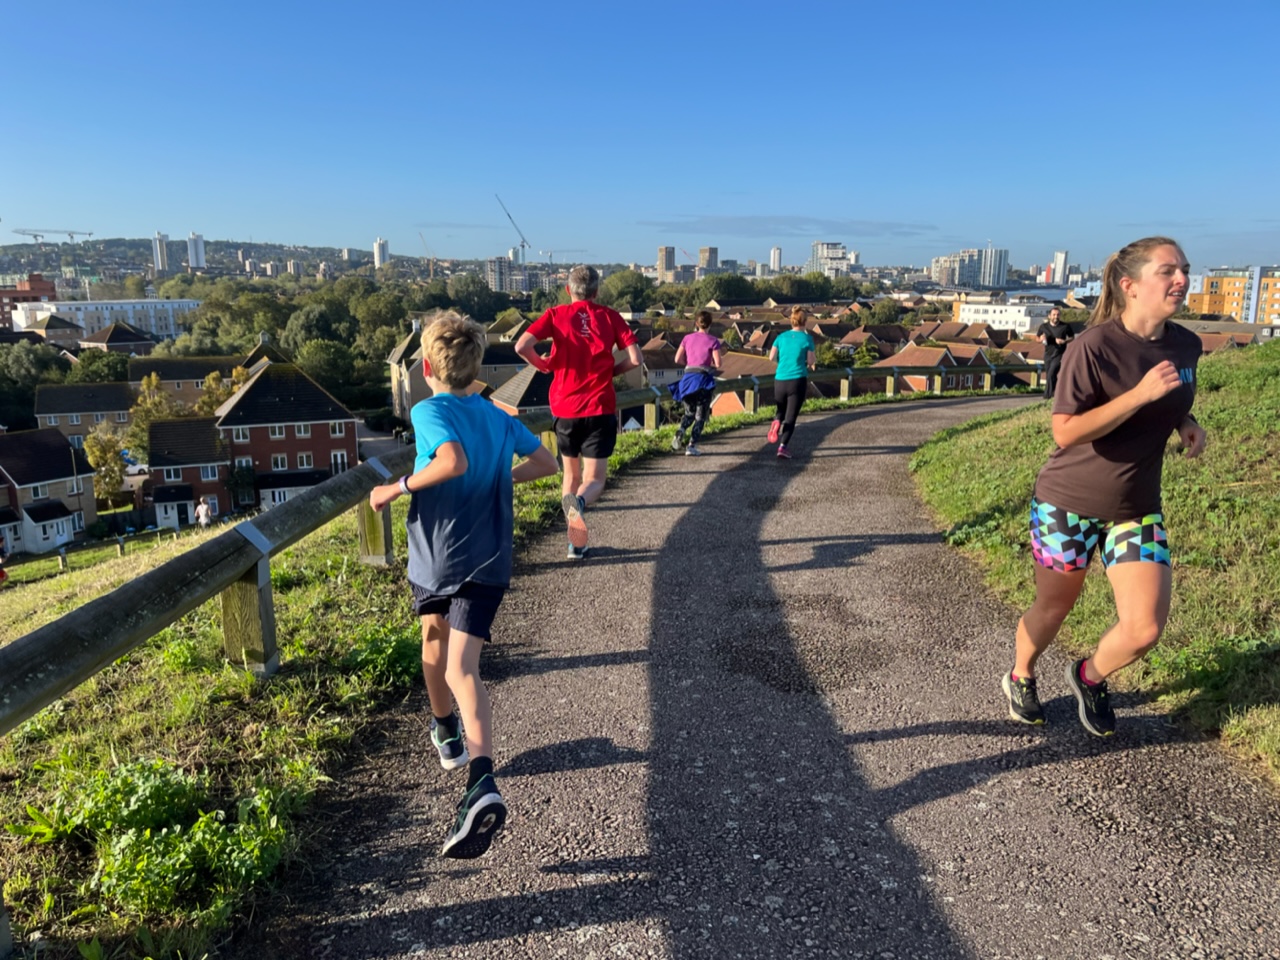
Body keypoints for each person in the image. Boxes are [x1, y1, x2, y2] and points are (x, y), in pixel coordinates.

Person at [369, 311, 559, 857]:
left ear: (426, 367)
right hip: (488, 560)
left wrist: (396, 487)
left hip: (440, 558)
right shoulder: (498, 415)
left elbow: (449, 460)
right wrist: (500, 475)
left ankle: (472, 767)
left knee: (444, 654)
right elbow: (545, 461)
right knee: (452, 658)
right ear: (475, 368)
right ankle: (458, 744)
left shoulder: (430, 409)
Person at [1001, 237, 1206, 737]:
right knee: (1054, 608)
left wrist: (1185, 421)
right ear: (1129, 285)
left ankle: (1089, 676)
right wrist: (1138, 396)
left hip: (1135, 506)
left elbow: (1172, 394)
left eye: (1184, 269)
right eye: (1168, 271)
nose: (1181, 279)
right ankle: (1021, 673)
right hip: (1065, 504)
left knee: (1144, 629)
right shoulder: (1092, 347)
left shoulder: (1187, 344)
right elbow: (1065, 430)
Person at [515, 265, 642, 559]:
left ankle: (577, 543)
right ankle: (580, 507)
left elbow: (522, 345)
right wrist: (612, 370)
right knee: (594, 480)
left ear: (568, 290)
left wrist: (544, 365)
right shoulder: (610, 317)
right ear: (597, 292)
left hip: (565, 408)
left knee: (570, 477)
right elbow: (636, 358)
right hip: (599, 407)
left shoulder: (556, 315)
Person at [669, 310, 722, 456]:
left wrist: (688, 363)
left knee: (689, 413)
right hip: (703, 381)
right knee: (700, 416)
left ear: (696, 323)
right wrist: (708, 363)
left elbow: (677, 359)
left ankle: (681, 430)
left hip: (687, 380)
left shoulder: (687, 338)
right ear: (710, 324)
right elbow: (718, 363)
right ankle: (691, 446)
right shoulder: (713, 341)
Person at [766, 306, 817, 459]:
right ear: (805, 322)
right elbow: (810, 361)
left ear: (792, 321)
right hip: (797, 380)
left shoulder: (781, 337)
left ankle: (776, 421)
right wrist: (809, 363)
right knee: (791, 417)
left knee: (780, 410)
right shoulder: (807, 339)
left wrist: (782, 362)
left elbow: (771, 357)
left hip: (780, 379)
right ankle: (783, 447)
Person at [1036, 306, 1076, 400]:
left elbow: (1072, 337)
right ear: (1049, 316)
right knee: (1050, 375)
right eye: (1054, 315)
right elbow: (1037, 338)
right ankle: (1056, 393)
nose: (1056, 317)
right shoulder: (1043, 327)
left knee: (1051, 373)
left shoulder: (1065, 326)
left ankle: (1047, 396)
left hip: (1059, 354)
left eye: (1058, 315)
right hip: (1048, 354)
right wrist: (1041, 339)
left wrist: (1064, 341)